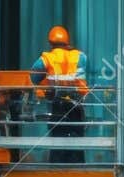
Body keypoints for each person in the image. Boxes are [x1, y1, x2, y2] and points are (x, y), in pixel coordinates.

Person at [29, 26, 89, 164]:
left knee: (58, 139)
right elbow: (81, 80)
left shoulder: (46, 59)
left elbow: (33, 78)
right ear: (67, 42)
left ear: (50, 42)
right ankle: (77, 170)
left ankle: (57, 168)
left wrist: (44, 88)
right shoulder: (80, 56)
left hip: (58, 105)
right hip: (77, 105)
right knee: (76, 140)